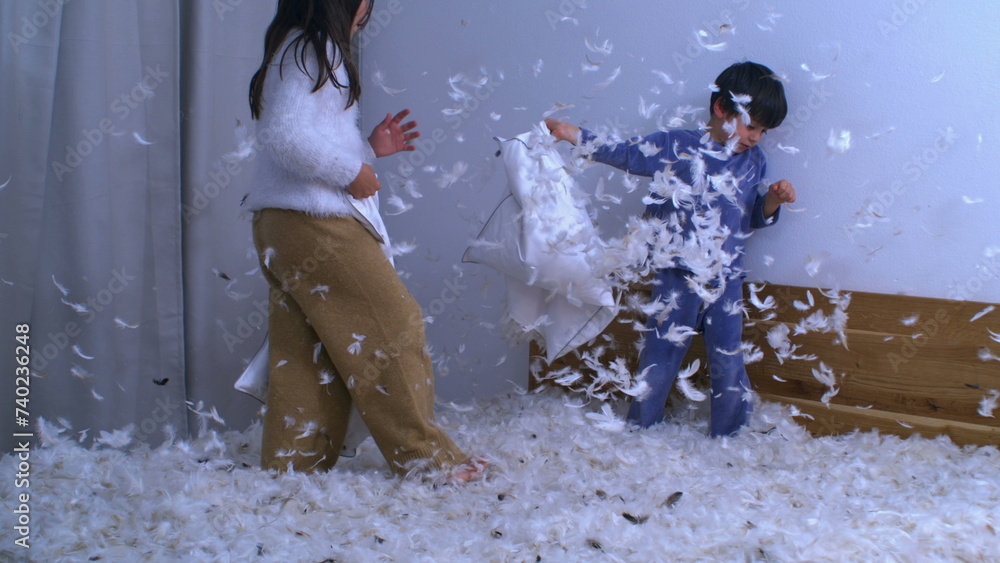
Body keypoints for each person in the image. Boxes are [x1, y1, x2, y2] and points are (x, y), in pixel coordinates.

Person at [245, 0, 485, 482]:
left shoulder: (289, 47)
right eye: (363, 6)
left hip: (279, 223)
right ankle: (428, 460)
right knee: (392, 324)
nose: (364, 16)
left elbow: (305, 137)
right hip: (314, 222)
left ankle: (292, 467)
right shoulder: (317, 49)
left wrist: (369, 149)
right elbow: (286, 136)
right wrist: (352, 171)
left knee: (308, 349)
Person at [545, 61, 797, 437]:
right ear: (721, 109)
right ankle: (642, 425)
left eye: (763, 130)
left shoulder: (754, 162)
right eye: (752, 125)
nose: (756, 137)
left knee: (727, 357)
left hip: (726, 277)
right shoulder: (677, 146)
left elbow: (751, 218)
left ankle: (731, 434)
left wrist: (774, 201)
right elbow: (626, 153)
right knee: (661, 352)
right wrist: (573, 134)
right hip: (676, 272)